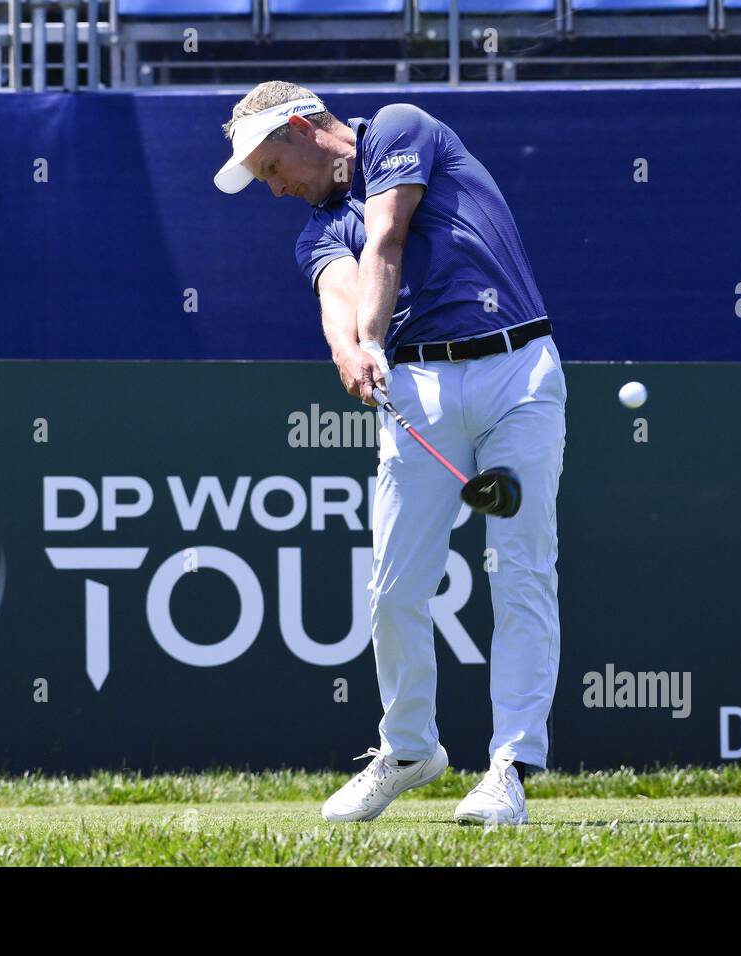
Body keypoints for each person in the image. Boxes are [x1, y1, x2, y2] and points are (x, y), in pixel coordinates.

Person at [214, 81, 567, 825]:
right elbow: (338, 299)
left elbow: (387, 239)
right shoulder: (314, 230)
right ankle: (409, 748)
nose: (273, 189)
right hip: (420, 391)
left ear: (305, 128)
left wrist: (370, 338)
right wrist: (350, 350)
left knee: (521, 571)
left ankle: (509, 766)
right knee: (395, 587)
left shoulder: (400, 129)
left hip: (516, 370)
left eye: (271, 166)